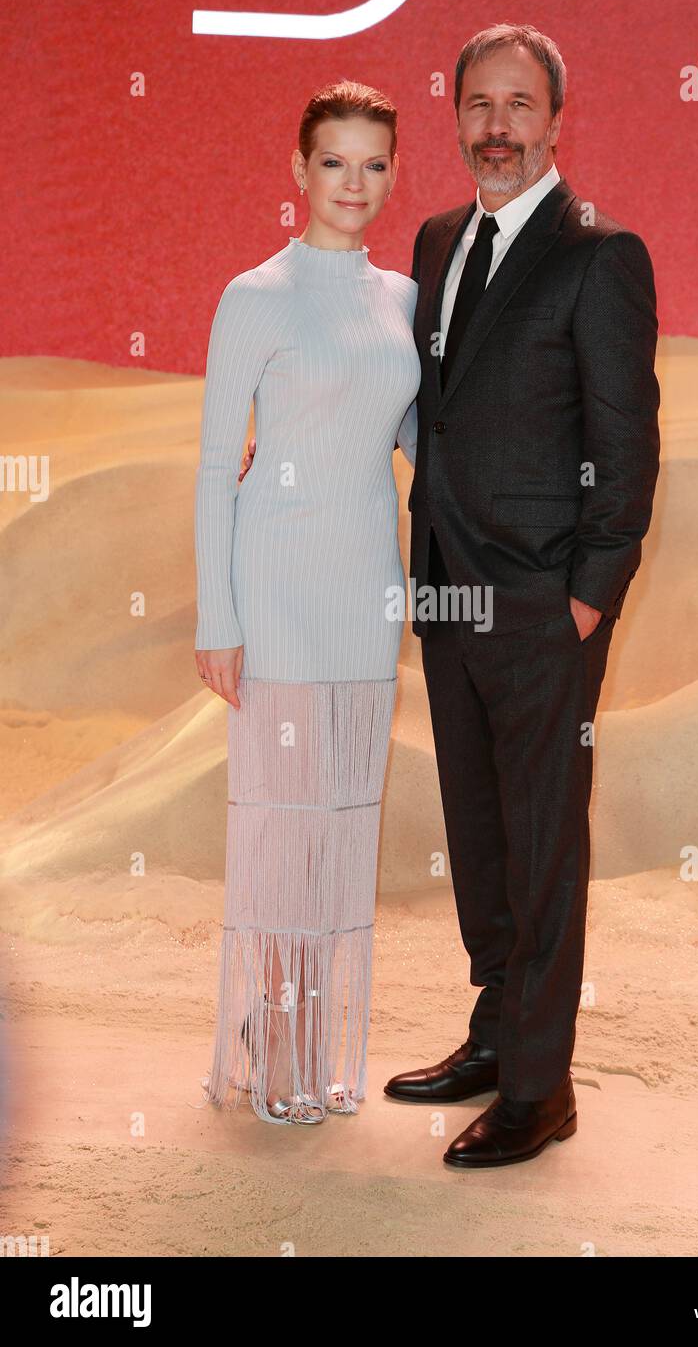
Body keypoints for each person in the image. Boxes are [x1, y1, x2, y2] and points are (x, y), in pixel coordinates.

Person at [382, 23, 661, 1168]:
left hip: (545, 606)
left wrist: (588, 597)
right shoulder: (438, 237)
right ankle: (497, 1032)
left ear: (555, 119)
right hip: (447, 591)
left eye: (519, 105)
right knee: (482, 831)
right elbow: (431, 410)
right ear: (455, 116)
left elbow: (628, 439)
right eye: (478, 105)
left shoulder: (602, 254)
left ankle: (542, 1090)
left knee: (544, 842)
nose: (496, 126)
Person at [194, 80, 419, 1125]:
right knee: (286, 833)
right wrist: (217, 618)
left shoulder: (402, 300)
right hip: (277, 595)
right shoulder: (256, 295)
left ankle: (302, 1034)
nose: (354, 185)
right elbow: (209, 470)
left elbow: (416, 440)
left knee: (338, 828)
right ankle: (276, 1037)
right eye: (335, 162)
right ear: (298, 170)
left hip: (367, 592)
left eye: (374, 164)